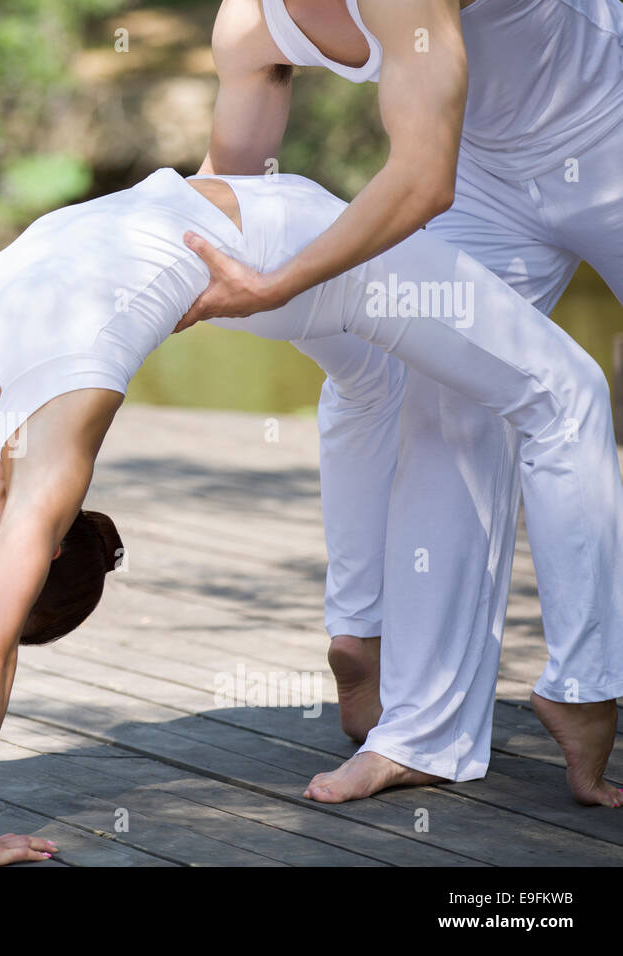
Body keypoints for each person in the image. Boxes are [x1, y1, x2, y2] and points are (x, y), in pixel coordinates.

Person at [0, 167, 623, 867]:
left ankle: (378, 640)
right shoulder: (44, 464)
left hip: (282, 250)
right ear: (41, 550)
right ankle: (399, 645)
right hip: (263, 251)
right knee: (508, 391)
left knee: (463, 387)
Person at [182, 0, 623, 802]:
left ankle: (588, 675)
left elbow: (418, 181)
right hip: (483, 176)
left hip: (609, 125)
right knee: (445, 399)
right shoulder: (248, 23)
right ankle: (424, 730)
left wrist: (280, 285)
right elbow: (231, 211)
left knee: (544, 397)